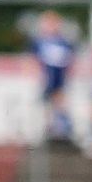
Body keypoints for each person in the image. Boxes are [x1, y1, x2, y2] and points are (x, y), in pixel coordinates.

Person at [30, 10, 76, 139]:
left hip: (59, 78)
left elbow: (69, 59)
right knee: (46, 102)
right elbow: (32, 59)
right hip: (45, 77)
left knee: (58, 100)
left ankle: (60, 127)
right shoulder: (38, 41)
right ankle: (48, 127)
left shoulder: (63, 41)